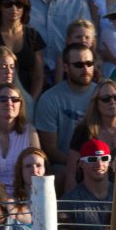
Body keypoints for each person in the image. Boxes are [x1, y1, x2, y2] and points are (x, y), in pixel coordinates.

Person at [34, 42, 97, 170]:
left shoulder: (104, 95)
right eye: (78, 65)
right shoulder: (49, 99)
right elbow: (49, 149)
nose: (85, 69)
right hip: (64, 165)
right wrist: (78, 165)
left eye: (89, 64)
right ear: (66, 67)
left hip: (100, 162)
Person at [60, 137, 111, 230]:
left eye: (104, 158)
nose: (99, 164)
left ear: (110, 162)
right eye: (92, 159)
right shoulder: (69, 202)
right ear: (81, 163)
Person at [11, 146, 49, 226]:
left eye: (38, 165)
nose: (34, 170)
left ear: (45, 169)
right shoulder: (11, 203)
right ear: (20, 171)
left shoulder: (53, 202)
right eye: (28, 166)